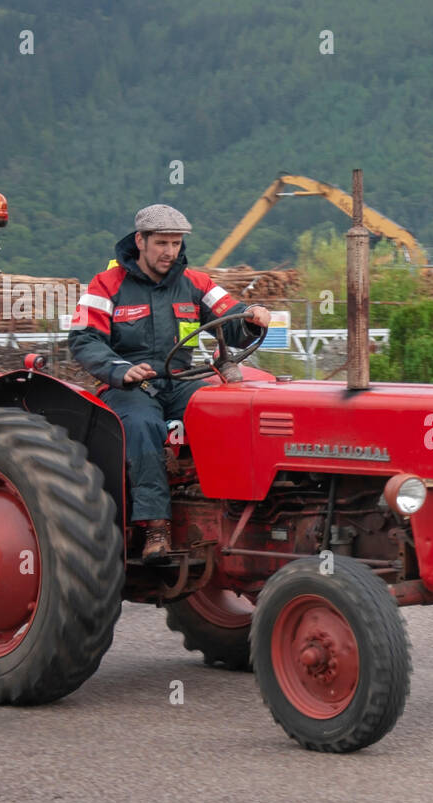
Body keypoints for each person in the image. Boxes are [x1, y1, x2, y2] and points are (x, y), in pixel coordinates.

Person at [68, 204, 269, 562]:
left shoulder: (196, 283)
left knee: (227, 408)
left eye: (176, 243)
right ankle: (155, 527)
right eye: (162, 243)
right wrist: (119, 370)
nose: (170, 252)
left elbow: (233, 319)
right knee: (144, 424)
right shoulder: (107, 285)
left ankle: (237, 508)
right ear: (140, 241)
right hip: (129, 386)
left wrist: (253, 318)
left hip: (181, 381)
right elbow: (84, 339)